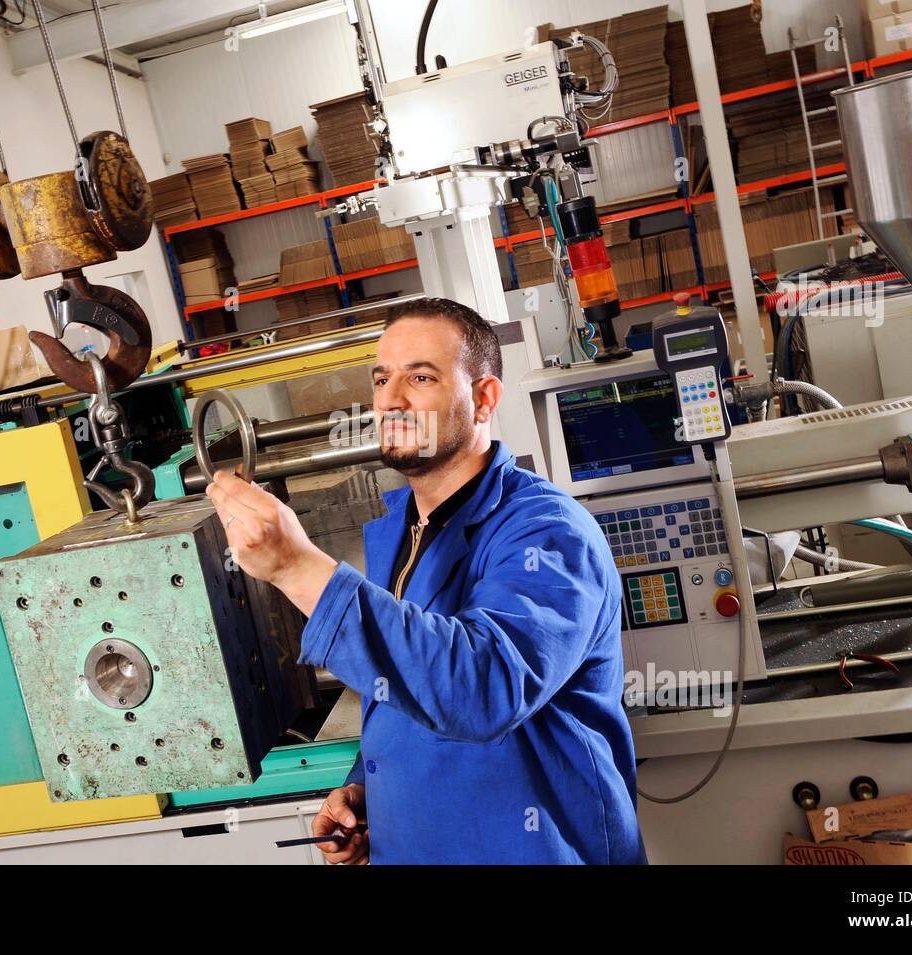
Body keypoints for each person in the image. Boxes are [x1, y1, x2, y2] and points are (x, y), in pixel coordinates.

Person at [205, 297, 644, 864]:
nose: (390, 399)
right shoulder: (403, 530)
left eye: (421, 376)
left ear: (484, 399)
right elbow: (405, 679)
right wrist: (369, 792)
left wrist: (296, 567)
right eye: (382, 377)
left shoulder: (549, 534)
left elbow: (483, 689)